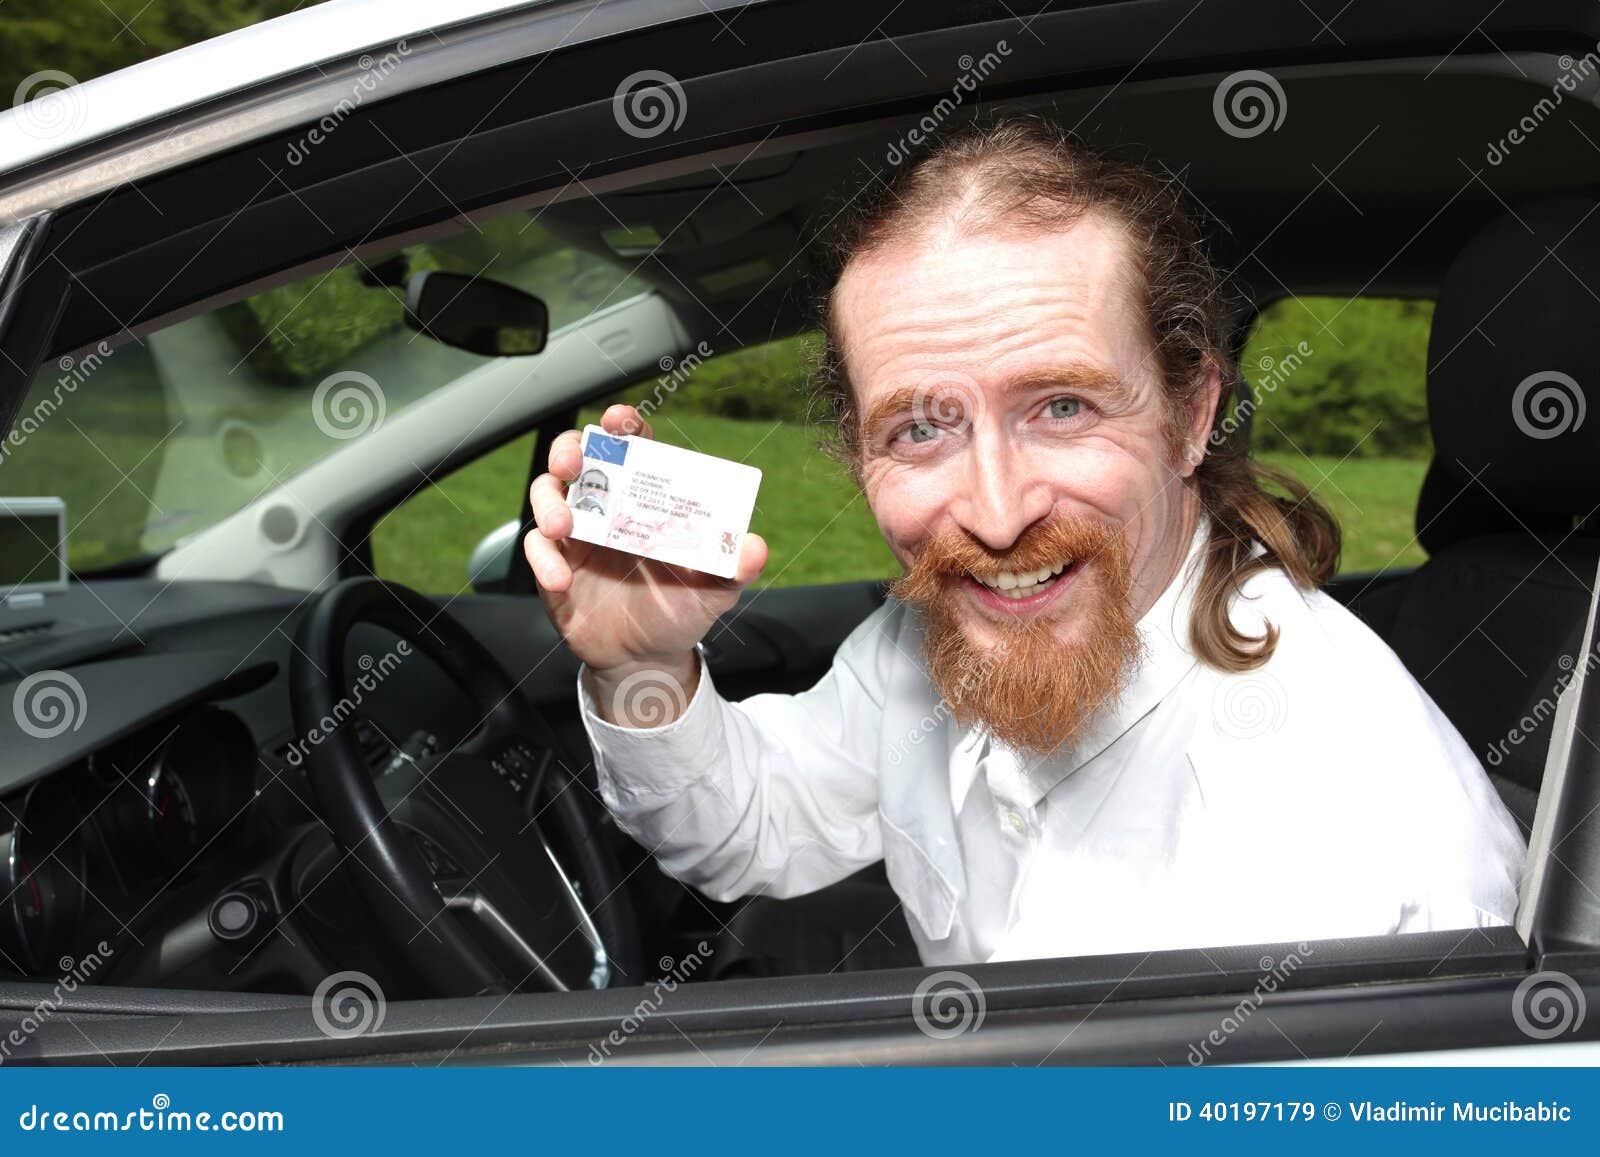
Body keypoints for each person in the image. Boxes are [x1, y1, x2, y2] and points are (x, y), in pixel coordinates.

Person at [522, 120, 1525, 964]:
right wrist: (643, 666)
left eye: (1060, 406)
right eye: (920, 428)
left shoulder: (1338, 830)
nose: (996, 515)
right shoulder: (924, 647)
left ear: (1188, 416)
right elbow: (752, 827)